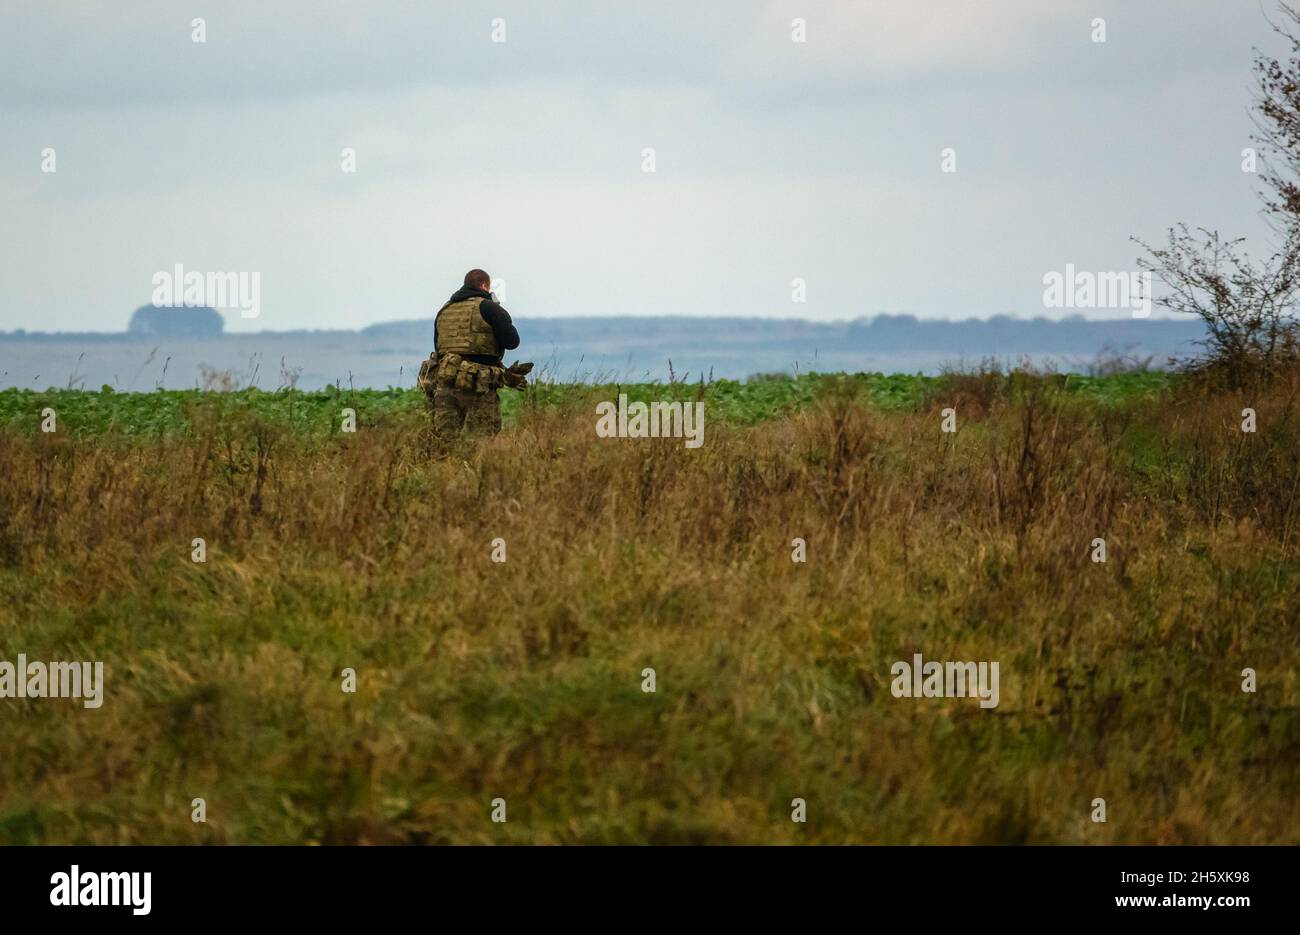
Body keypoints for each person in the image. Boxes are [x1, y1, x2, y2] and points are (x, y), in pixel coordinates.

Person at [417, 269, 530, 438]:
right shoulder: (489, 307)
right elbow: (512, 342)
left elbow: (438, 347)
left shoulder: (445, 309)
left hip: (445, 386)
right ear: (485, 285)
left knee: (445, 441)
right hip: (477, 387)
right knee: (481, 440)